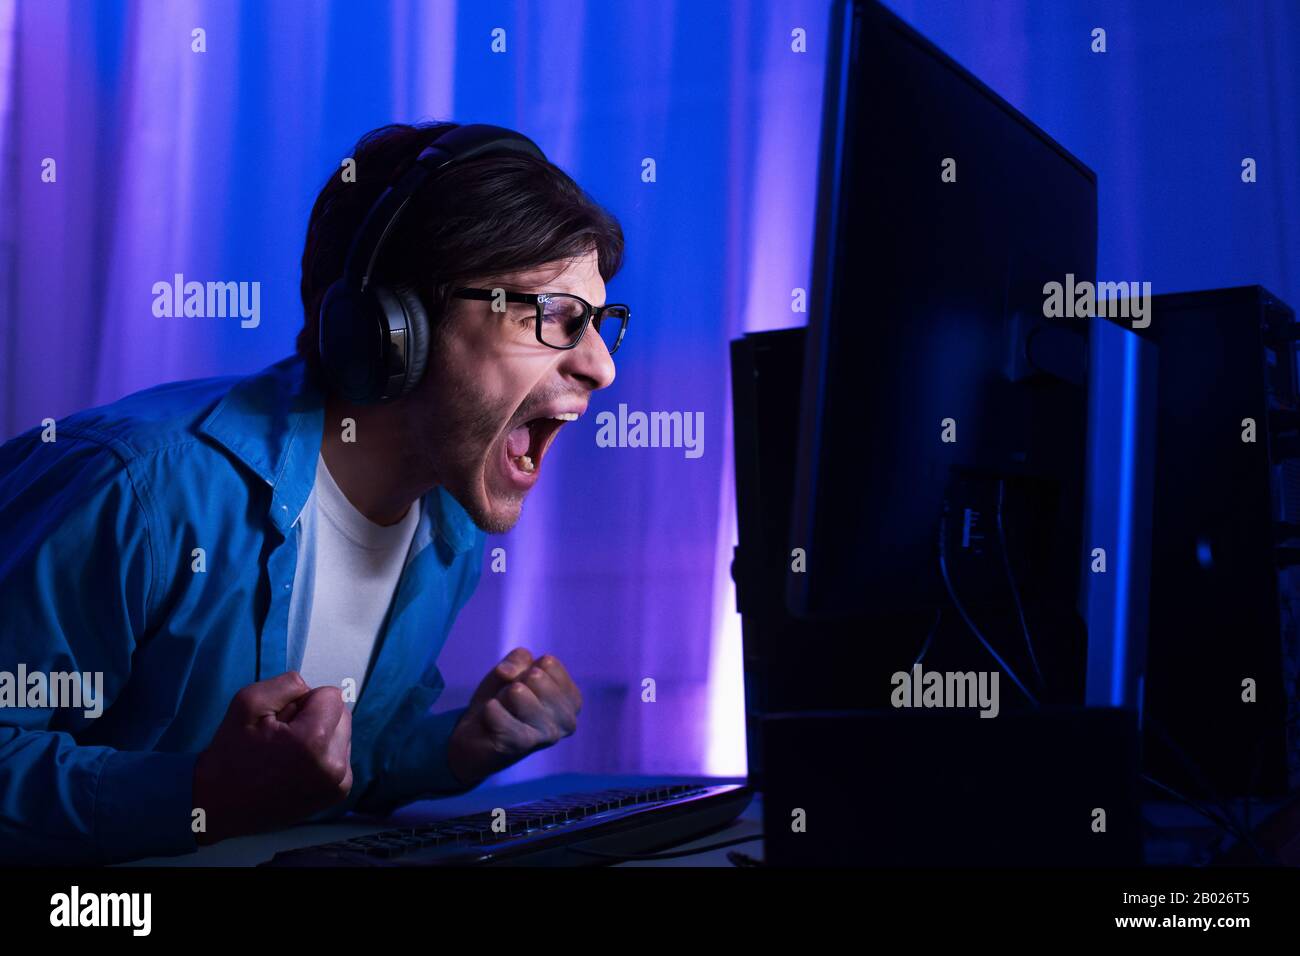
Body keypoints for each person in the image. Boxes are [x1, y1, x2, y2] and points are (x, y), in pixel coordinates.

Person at [0, 121, 627, 864]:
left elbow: (324, 773)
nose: (601, 368)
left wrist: (454, 749)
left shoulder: (446, 526)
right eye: (554, 316)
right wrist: (200, 795)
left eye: (600, 322)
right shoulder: (140, 490)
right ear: (395, 329)